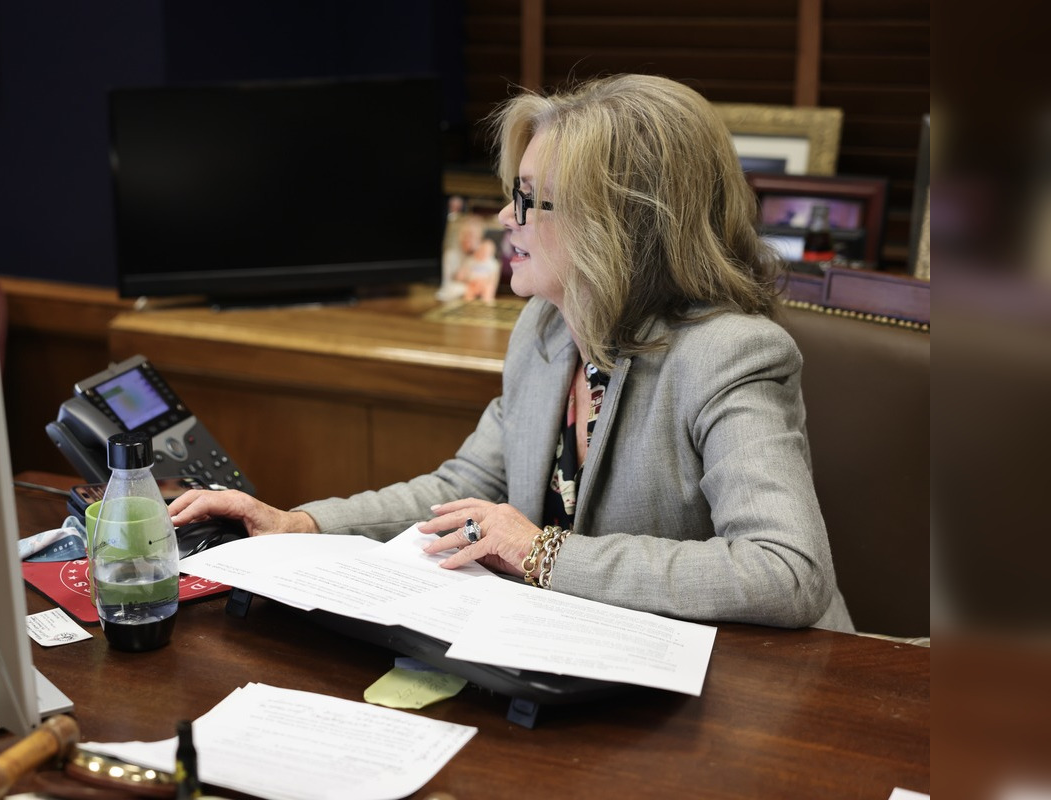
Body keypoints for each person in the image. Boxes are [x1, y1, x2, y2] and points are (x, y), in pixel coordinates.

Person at [169, 74, 854, 631]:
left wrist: (539, 551)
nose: (503, 220)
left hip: (757, 694)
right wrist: (301, 523)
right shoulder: (547, 328)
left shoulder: (730, 355)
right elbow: (468, 490)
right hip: (591, 663)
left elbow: (785, 570)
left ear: (617, 222)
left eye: (529, 201)